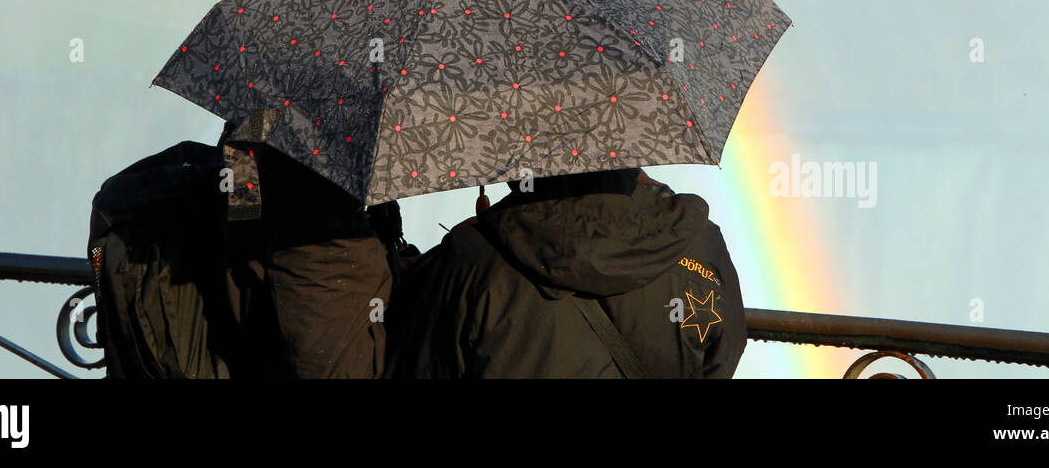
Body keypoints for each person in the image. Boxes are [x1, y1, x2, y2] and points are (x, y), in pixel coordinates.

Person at [385, 168, 747, 378]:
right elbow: (722, 358)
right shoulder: (700, 241)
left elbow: (412, 364)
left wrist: (461, 250)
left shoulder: (470, 259)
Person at [221, 114, 406, 378]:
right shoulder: (335, 247)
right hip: (311, 276)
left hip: (287, 248)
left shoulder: (255, 126)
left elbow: (239, 225)